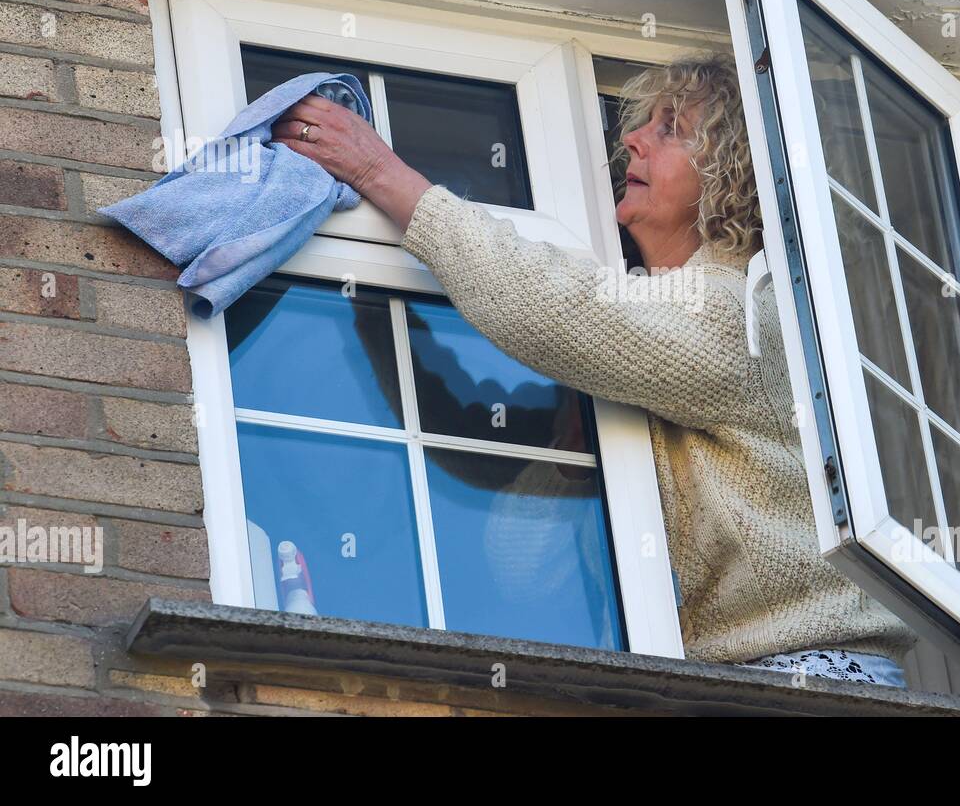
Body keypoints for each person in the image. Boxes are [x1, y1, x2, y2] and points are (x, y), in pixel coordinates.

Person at [270, 51, 918, 688]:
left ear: (733, 171)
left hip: (820, 685)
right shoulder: (649, 359)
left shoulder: (749, 311)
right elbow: (515, 563)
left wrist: (381, 173)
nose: (632, 140)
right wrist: (373, 318)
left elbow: (560, 306)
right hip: (731, 690)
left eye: (670, 129)